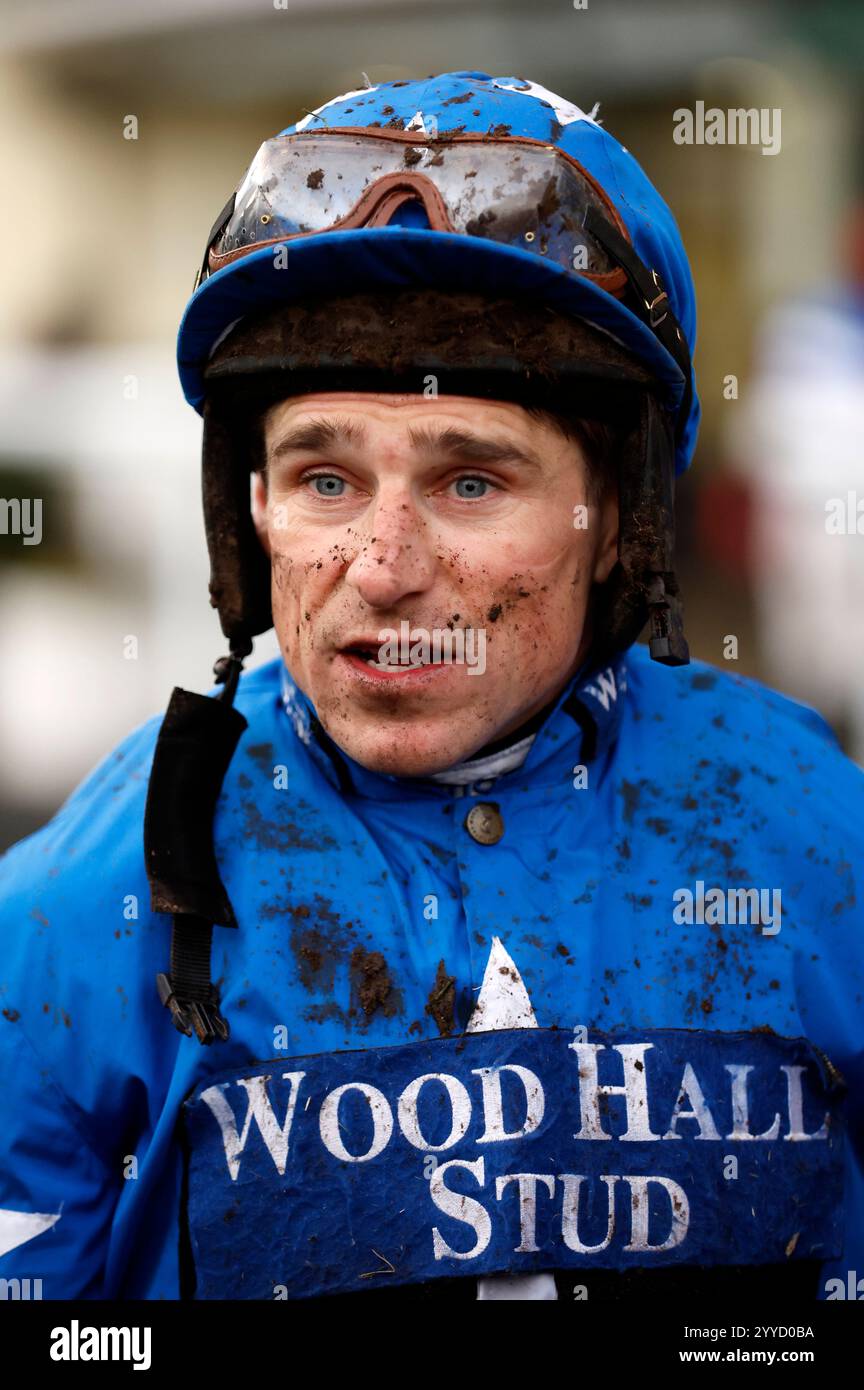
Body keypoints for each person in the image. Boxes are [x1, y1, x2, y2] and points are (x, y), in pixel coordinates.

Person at [0, 71, 861, 1304]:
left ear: (618, 520)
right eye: (325, 479)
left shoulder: (823, 852)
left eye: (471, 482)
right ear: (250, 512)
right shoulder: (75, 914)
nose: (386, 571)